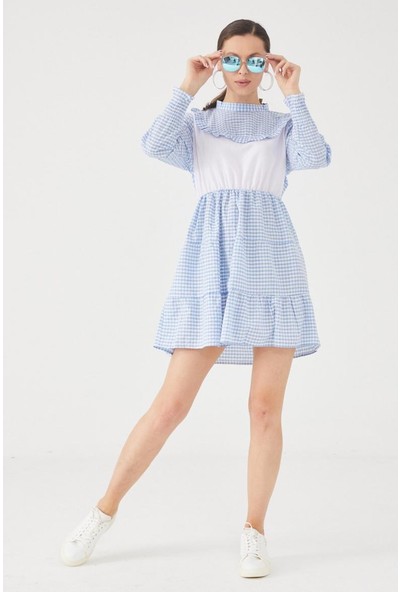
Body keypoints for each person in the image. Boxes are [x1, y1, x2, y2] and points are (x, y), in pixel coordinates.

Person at [60, 18, 332, 578]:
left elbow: (317, 156)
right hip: (211, 268)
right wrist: (187, 84)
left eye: (255, 60)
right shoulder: (197, 126)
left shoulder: (283, 125)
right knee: (170, 406)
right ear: (218, 60)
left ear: (268, 65)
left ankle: (254, 531)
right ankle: (102, 511)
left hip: (274, 268)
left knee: (264, 409)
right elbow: (152, 143)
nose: (242, 69)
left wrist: (296, 93)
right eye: (232, 58)